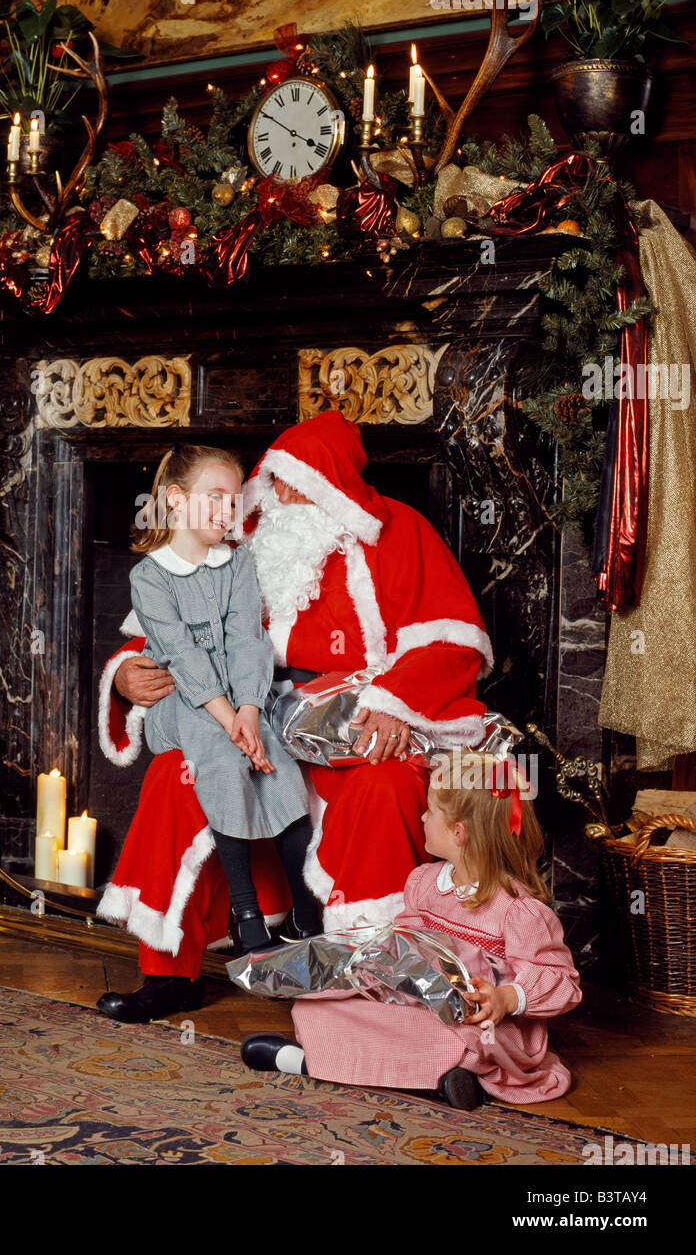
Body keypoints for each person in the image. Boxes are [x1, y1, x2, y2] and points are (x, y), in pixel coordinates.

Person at [96, 412, 494, 1024]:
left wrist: (391, 703)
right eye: (274, 481)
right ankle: (169, 975)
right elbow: (165, 619)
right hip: (248, 719)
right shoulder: (236, 542)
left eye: (300, 482)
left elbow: (454, 642)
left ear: (334, 489)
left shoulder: (400, 532)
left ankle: (363, 974)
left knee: (386, 787)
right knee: (177, 775)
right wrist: (124, 676)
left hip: (349, 728)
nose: (281, 496)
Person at [241, 753, 582, 1110]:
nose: (421, 817)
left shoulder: (519, 911)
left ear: (458, 833)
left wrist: (507, 998)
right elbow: (408, 943)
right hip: (420, 1007)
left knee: (457, 1039)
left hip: (484, 1026)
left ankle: (307, 1063)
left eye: (430, 811)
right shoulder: (424, 883)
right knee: (319, 1010)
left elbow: (562, 981)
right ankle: (440, 1079)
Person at [127, 443, 323, 954]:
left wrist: (252, 714)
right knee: (218, 750)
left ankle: (307, 909)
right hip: (184, 704)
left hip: (241, 700)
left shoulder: (235, 566)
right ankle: (245, 906)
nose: (227, 512)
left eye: (234, 501)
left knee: (276, 759)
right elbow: (184, 658)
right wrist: (231, 720)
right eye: (214, 497)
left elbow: (246, 642)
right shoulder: (148, 576)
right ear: (175, 499)